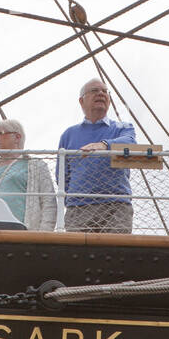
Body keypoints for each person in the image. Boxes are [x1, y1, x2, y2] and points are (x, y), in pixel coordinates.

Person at [57, 78, 136, 233]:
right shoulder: (69, 135)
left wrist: (104, 145)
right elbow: (62, 174)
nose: (101, 94)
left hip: (116, 205)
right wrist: (72, 198)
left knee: (116, 254)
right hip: (78, 207)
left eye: (105, 91)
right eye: (94, 91)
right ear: (81, 101)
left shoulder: (123, 128)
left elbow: (130, 142)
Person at [0, 118, 57, 231]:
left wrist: (43, 236)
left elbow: (48, 203)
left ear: (17, 137)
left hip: (20, 232)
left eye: (0, 134)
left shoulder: (36, 166)